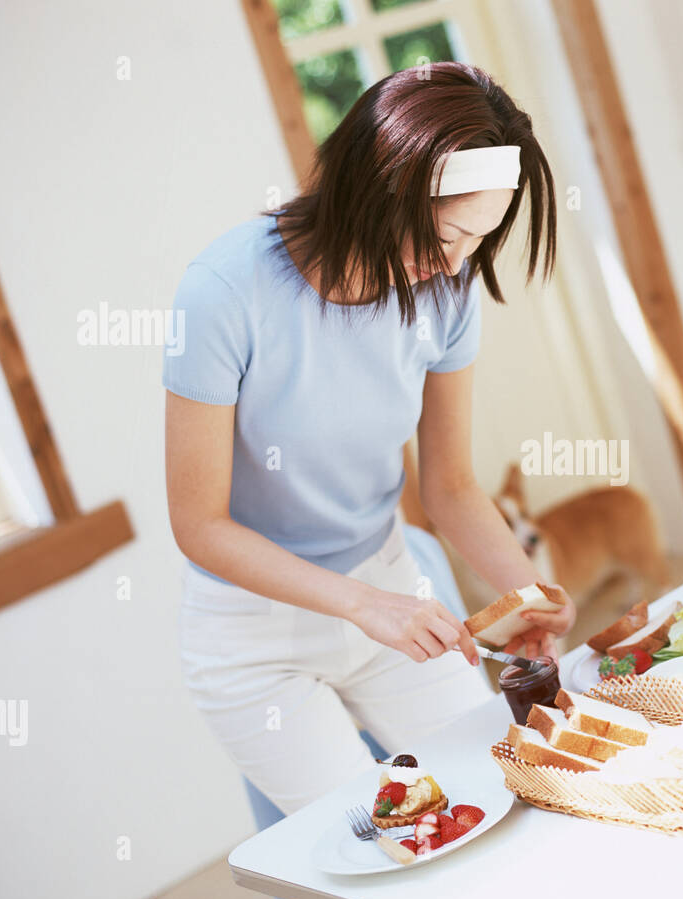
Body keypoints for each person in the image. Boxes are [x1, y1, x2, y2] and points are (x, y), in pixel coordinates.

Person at [163, 63, 574, 816]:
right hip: (255, 638)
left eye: (475, 242)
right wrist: (360, 605)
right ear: (380, 182)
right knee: (384, 836)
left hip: (389, 593)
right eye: (446, 234)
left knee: (503, 792)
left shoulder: (446, 293)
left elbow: (450, 488)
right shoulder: (224, 293)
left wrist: (526, 595)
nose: (452, 266)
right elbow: (199, 526)